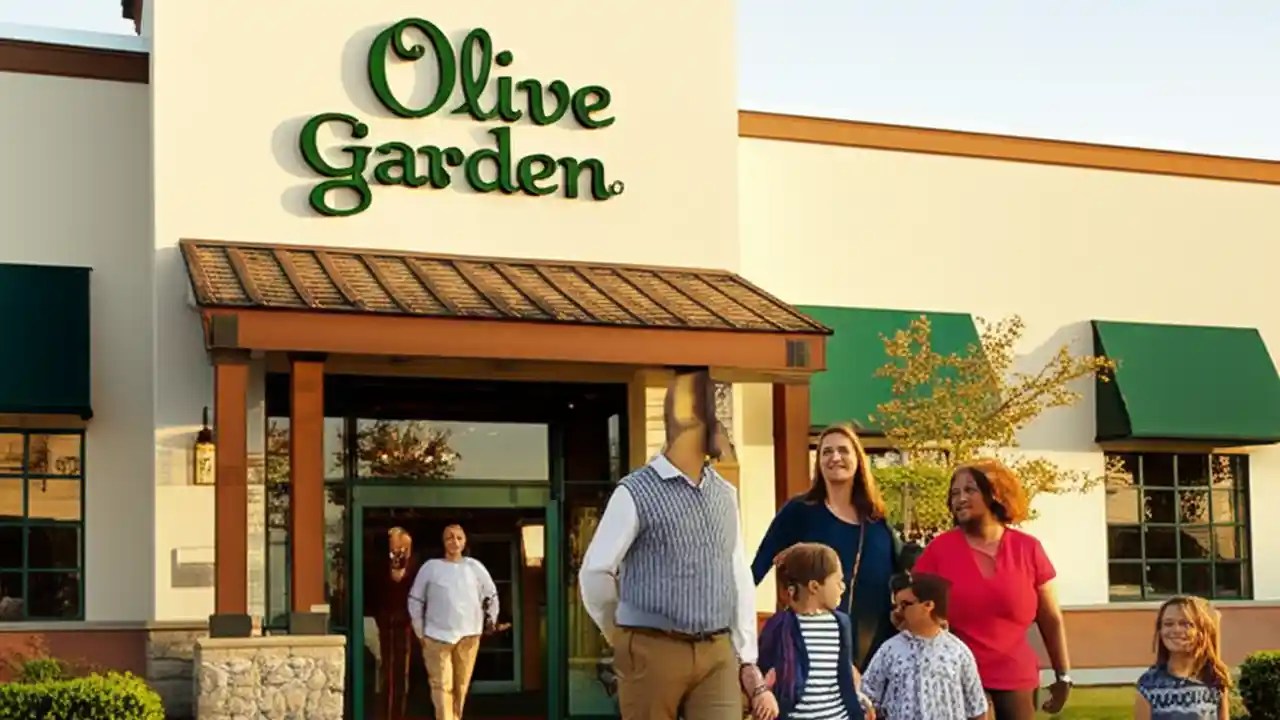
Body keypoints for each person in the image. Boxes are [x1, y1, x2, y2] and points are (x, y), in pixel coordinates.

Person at [579, 369, 762, 720]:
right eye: (715, 415)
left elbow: (738, 574)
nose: (722, 429)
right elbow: (595, 572)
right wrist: (620, 634)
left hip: (717, 652)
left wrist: (747, 656)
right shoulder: (635, 491)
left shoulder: (725, 495)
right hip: (652, 649)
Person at [912, 459, 1072, 720]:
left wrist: (1063, 674)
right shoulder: (938, 551)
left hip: (1016, 679)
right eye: (954, 493)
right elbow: (914, 616)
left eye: (969, 490)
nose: (960, 499)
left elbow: (1051, 618)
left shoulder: (1028, 549)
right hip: (956, 679)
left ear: (995, 494)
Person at [751, 423, 903, 670]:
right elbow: (757, 569)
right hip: (812, 653)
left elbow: (904, 574)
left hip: (873, 656)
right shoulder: (799, 511)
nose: (835, 458)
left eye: (843, 451)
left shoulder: (877, 523)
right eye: (826, 452)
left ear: (858, 460)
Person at [755, 542, 867, 720]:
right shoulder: (780, 625)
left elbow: (843, 674)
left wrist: (859, 699)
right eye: (838, 581)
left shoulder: (841, 623)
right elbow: (763, 668)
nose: (843, 587)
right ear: (815, 587)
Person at [861, 572, 987, 720]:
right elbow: (867, 698)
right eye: (896, 605)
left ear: (928, 605)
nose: (898, 612)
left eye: (905, 605)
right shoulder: (889, 651)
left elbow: (976, 707)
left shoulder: (958, 652)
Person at [406, 523, 499, 720]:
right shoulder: (431, 568)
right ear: (443, 541)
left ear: (465, 541)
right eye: (450, 537)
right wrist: (420, 631)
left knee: (461, 686)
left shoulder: (475, 567)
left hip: (469, 635)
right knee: (441, 686)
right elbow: (415, 599)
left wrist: (489, 621)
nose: (454, 541)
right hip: (436, 636)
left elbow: (490, 595)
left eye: (458, 537)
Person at [1134, 596, 1232, 720]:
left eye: (1186, 624)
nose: (1176, 630)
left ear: (1203, 631)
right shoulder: (1148, 684)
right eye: (1168, 624)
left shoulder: (1214, 680)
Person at [378, 527, 420, 720]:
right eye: (393, 545)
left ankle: (401, 714)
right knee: (388, 672)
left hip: (409, 623)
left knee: (405, 673)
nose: (397, 549)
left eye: (401, 545)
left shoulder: (416, 566)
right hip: (386, 622)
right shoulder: (380, 564)